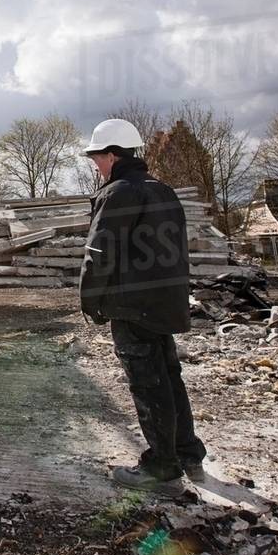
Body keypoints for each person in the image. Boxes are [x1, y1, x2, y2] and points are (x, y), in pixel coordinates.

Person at [79, 118, 206, 496]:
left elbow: (100, 252)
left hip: (132, 305)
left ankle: (162, 469)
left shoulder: (119, 192)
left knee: (148, 385)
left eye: (97, 157)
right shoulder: (163, 191)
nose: (95, 164)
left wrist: (91, 302)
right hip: (164, 302)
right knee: (169, 378)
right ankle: (188, 454)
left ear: (113, 155)